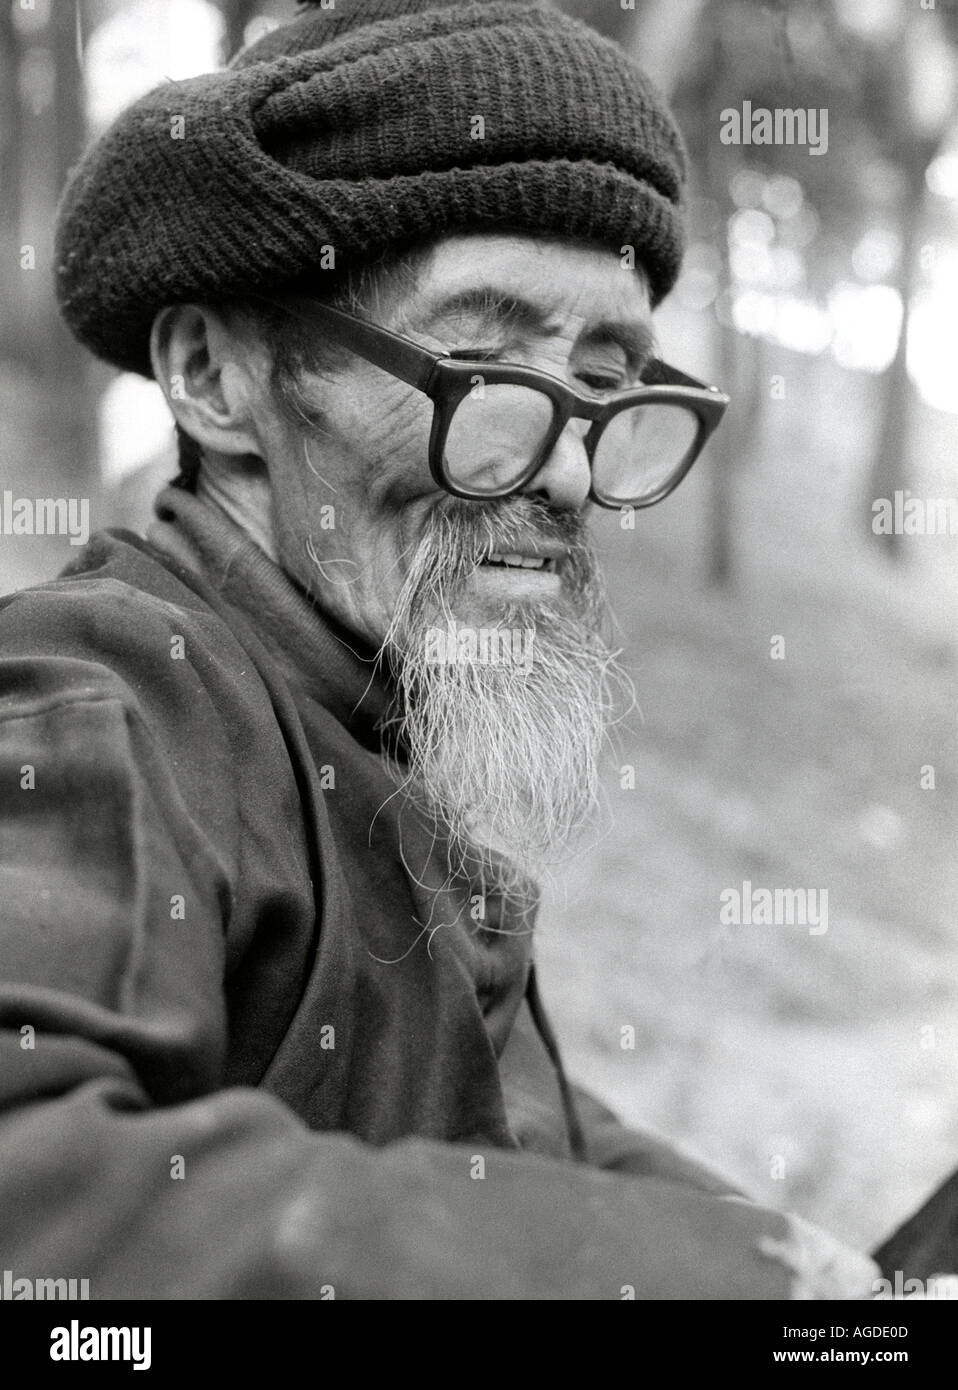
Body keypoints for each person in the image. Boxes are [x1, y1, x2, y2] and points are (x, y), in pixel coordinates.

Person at [0, 0, 878, 1299]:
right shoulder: (99, 698)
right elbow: (38, 1190)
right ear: (211, 377)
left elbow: (492, 1139)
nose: (574, 474)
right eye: (481, 367)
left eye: (605, 380)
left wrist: (793, 1265)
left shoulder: (378, 721)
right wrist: (667, 1274)